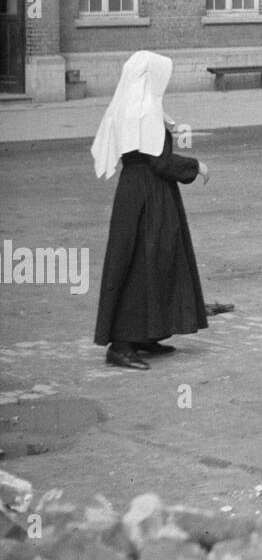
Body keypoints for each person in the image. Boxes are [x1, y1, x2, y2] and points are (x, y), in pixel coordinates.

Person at [92, 51, 210, 371]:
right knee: (142, 264)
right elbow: (160, 160)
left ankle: (143, 334)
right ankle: (121, 344)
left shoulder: (129, 106)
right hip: (150, 195)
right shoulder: (144, 110)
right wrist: (196, 166)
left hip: (136, 191)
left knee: (147, 262)